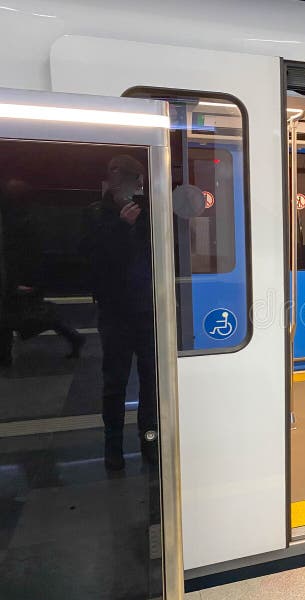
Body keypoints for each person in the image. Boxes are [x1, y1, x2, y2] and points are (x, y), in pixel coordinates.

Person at [82, 155, 157, 470]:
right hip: (115, 309)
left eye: (134, 178)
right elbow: (89, 256)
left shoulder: (150, 211)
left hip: (147, 306)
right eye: (123, 176)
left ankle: (149, 441)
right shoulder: (97, 214)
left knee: (151, 380)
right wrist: (119, 226)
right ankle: (112, 447)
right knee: (115, 381)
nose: (128, 184)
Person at [0, 180, 84, 366]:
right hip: (26, 274)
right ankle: (73, 337)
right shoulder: (27, 216)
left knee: (11, 316)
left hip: (20, 275)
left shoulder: (17, 219)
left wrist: (18, 280)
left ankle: (4, 357)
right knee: (27, 313)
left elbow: (20, 253)